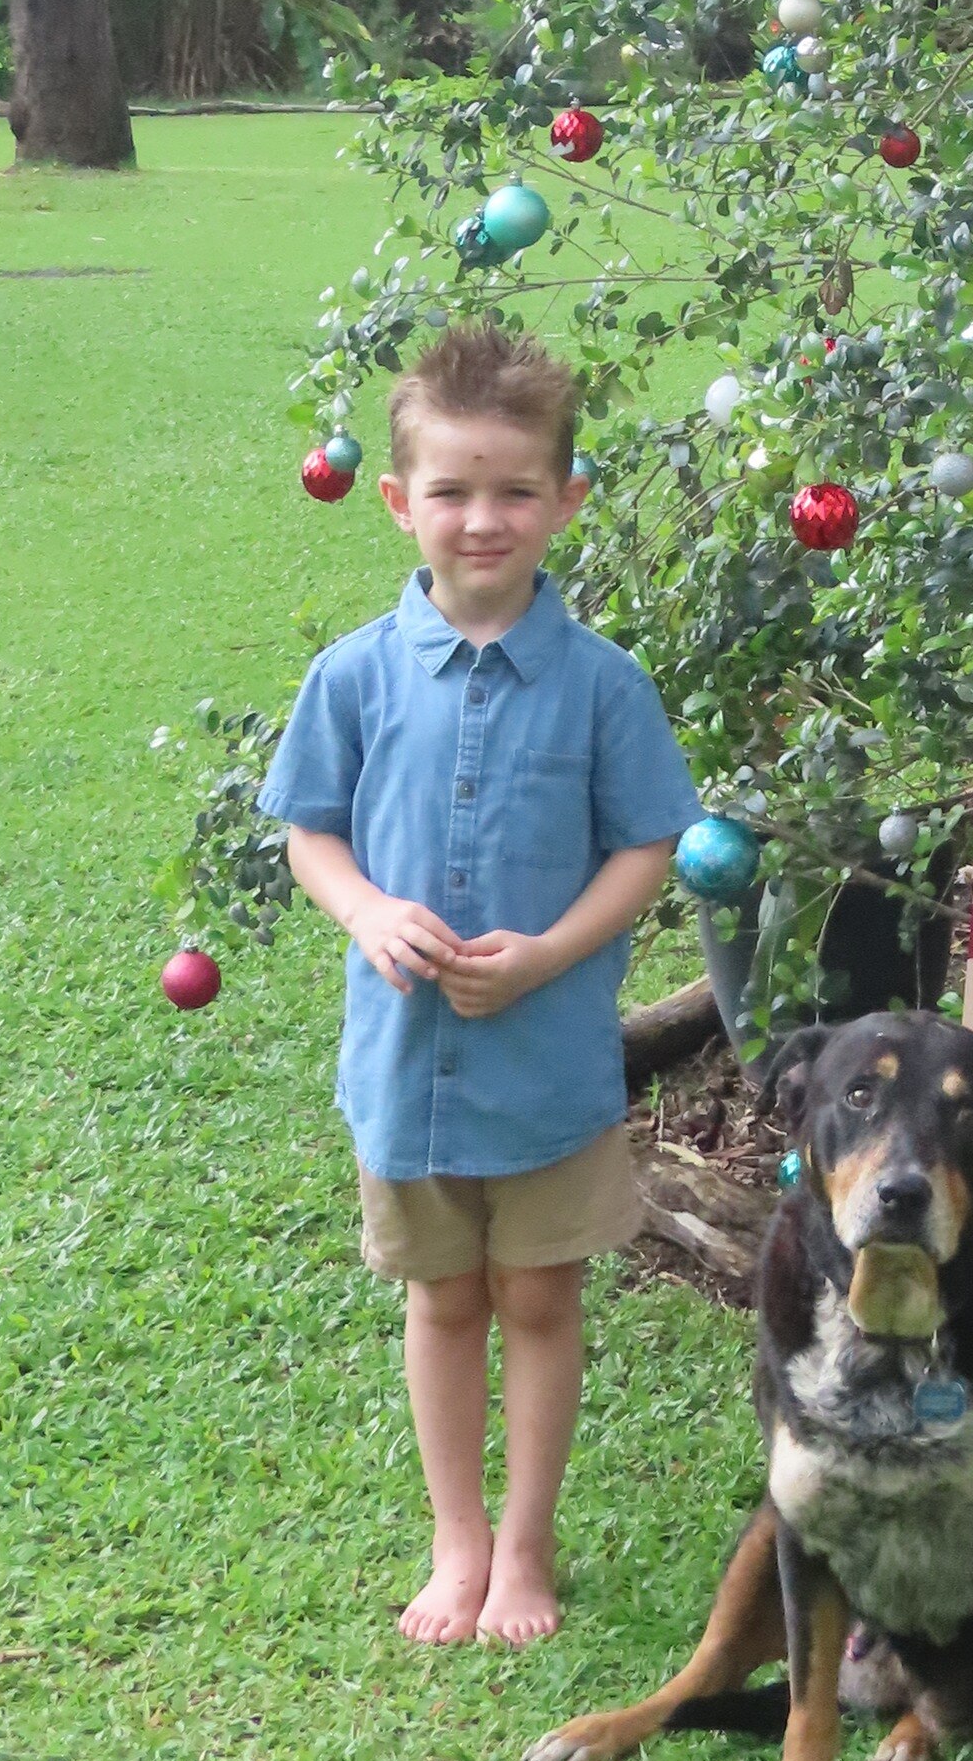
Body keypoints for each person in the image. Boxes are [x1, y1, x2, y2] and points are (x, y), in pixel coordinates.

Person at [261, 320, 694, 1646]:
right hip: (406, 1071)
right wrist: (367, 909)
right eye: (451, 492)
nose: (483, 520)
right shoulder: (350, 678)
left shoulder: (606, 689)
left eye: (516, 490)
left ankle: (525, 1548)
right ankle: (456, 1543)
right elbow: (308, 833)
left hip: (549, 1066)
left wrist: (556, 954)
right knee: (442, 1297)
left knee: (541, 1298)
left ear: (565, 500)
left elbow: (649, 845)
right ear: (399, 504)